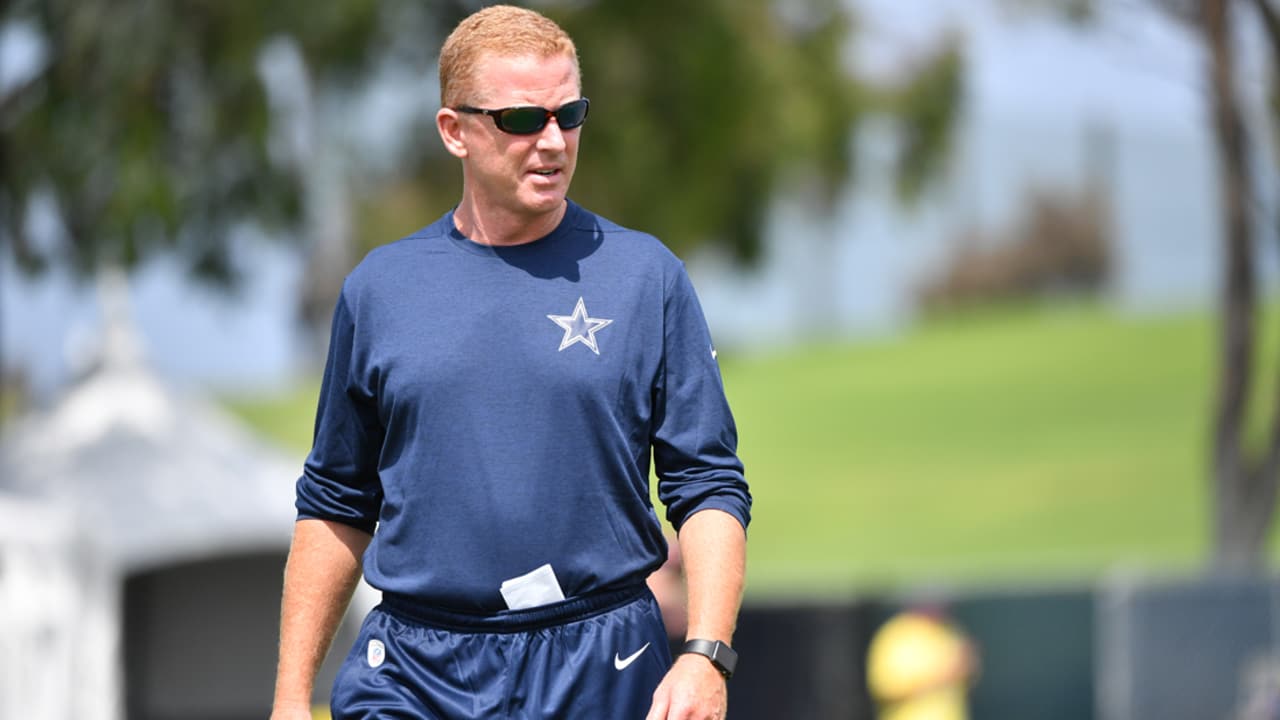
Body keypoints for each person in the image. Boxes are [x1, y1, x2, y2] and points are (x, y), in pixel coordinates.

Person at [270, 6, 751, 720]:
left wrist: (707, 655)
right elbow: (337, 504)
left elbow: (707, 484)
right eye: (523, 119)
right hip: (414, 672)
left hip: (601, 663)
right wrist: (288, 698)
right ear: (454, 131)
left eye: (570, 114)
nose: (553, 141)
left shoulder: (647, 277)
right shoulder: (379, 289)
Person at [866, 603, 980, 720]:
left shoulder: (952, 631)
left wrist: (968, 668)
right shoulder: (896, 634)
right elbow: (886, 690)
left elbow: (966, 682)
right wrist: (946, 674)